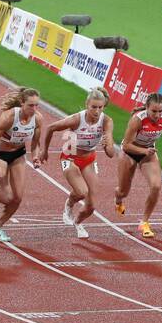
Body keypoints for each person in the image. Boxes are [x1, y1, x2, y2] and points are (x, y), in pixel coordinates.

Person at [40, 87, 115, 239]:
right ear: (87, 104)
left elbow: (111, 154)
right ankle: (69, 204)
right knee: (82, 192)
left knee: (92, 206)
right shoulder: (76, 119)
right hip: (70, 156)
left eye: (100, 108)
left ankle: (78, 222)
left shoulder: (107, 121)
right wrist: (44, 151)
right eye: (93, 107)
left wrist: (108, 144)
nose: (96, 111)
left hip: (89, 159)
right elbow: (50, 128)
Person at [0, 87, 44, 242]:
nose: (34, 109)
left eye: (37, 105)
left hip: (18, 154)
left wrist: (35, 157)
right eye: (31, 105)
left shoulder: (38, 119)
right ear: (22, 103)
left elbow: (36, 144)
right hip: (1, 154)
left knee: (17, 198)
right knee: (6, 197)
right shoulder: (9, 116)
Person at [114, 93, 162, 238]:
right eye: (153, 111)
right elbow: (126, 146)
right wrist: (145, 150)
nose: (157, 115)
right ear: (147, 108)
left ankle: (144, 222)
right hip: (129, 153)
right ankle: (118, 200)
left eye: (160, 111)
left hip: (148, 153)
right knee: (123, 191)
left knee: (156, 186)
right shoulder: (137, 120)